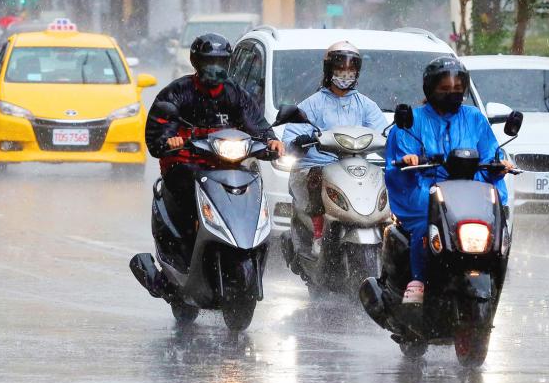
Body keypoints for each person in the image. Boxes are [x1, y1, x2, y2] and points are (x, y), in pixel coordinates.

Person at [385, 56, 512, 305]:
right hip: (425, 186)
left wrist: (501, 164)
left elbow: (491, 152)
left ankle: (491, 275)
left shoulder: (474, 117)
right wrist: (409, 159)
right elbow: (400, 156)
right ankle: (418, 279)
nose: (452, 93)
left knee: (495, 227)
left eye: (457, 89)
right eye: (444, 89)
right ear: (430, 89)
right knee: (427, 220)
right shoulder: (413, 120)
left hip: (470, 190)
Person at [146, 33, 284, 241]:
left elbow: (255, 123)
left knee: (251, 188)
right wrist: (170, 140)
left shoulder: (235, 94)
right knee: (184, 190)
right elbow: (160, 130)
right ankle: (187, 243)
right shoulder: (177, 92)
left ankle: (251, 238)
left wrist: (270, 141)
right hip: (186, 165)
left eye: (220, 63)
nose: (215, 68)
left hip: (227, 165)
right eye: (209, 62)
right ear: (196, 63)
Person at [284, 41, 388, 256]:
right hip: (319, 167)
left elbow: (385, 134)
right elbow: (290, 138)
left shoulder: (366, 105)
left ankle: (386, 234)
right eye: (341, 68)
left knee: (384, 180)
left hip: (356, 169)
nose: (345, 73)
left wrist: (402, 150)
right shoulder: (311, 105)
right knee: (315, 177)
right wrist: (298, 143)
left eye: (351, 69)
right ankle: (318, 234)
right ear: (329, 70)